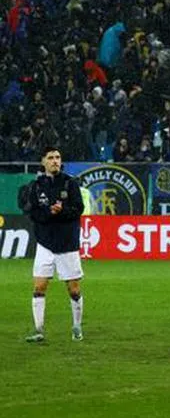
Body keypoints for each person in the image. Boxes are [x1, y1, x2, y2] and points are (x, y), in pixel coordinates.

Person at [18, 147, 85, 342]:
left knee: (73, 289)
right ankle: (39, 330)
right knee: (39, 287)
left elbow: (78, 209)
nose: (55, 160)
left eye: (57, 157)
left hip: (67, 244)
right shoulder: (36, 186)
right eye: (51, 158)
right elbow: (33, 214)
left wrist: (62, 210)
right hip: (45, 244)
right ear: (43, 162)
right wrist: (50, 213)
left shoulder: (70, 183)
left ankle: (77, 326)